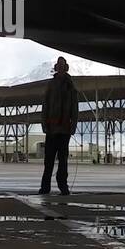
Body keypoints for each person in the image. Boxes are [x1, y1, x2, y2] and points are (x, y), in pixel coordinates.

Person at [38, 57, 78, 195]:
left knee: (63, 161)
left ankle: (63, 185)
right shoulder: (51, 85)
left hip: (64, 130)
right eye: (59, 66)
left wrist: (73, 126)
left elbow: (74, 108)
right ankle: (45, 187)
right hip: (51, 130)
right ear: (56, 68)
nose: (60, 69)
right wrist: (44, 124)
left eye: (62, 66)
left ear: (65, 68)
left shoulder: (71, 86)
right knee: (48, 160)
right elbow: (45, 105)